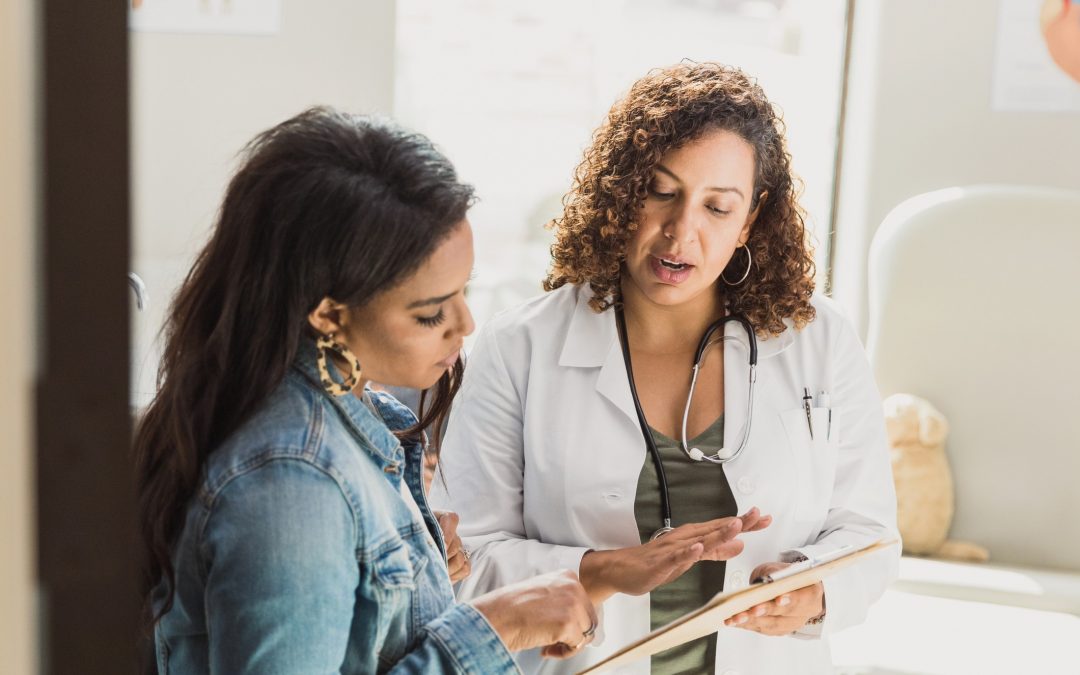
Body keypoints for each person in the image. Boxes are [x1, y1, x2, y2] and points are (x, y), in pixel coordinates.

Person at [431, 63, 899, 674]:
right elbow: (462, 560)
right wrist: (601, 570)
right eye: (661, 192)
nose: (682, 232)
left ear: (751, 219)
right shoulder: (519, 346)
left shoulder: (820, 339)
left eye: (717, 207)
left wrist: (810, 592)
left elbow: (868, 533)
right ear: (622, 191)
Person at [133, 107, 598, 674]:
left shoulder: (347, 414)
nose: (465, 324)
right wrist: (495, 629)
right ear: (329, 314)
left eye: (462, 290)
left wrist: (417, 582)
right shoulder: (292, 480)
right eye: (430, 314)